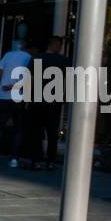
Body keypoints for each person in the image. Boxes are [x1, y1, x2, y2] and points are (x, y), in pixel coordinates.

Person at [0, 37, 33, 168]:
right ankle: (14, 159)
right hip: (19, 98)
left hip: (4, 97)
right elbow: (30, 78)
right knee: (18, 129)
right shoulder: (30, 58)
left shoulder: (8, 55)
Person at [32, 35, 73, 170]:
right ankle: (51, 161)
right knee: (52, 132)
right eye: (60, 46)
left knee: (37, 132)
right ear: (55, 45)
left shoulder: (37, 58)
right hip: (54, 100)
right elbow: (68, 80)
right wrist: (65, 97)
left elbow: (30, 79)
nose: (60, 48)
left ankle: (36, 161)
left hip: (37, 99)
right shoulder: (64, 61)